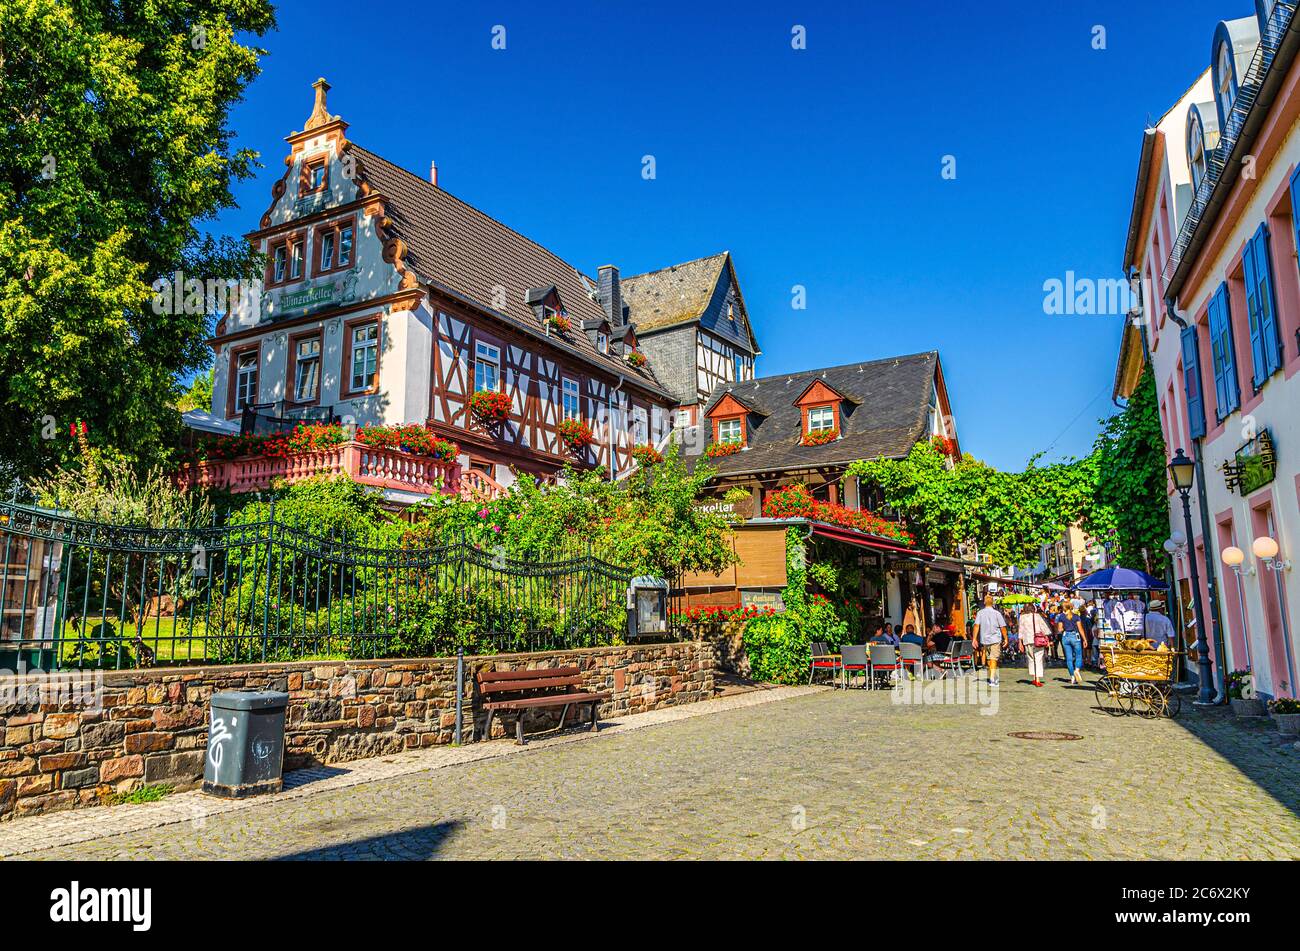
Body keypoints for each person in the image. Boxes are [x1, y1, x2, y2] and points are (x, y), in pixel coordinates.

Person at [973, 595, 1008, 686]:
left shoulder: (980, 613)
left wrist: (974, 639)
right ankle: (992, 679)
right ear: (992, 603)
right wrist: (1006, 638)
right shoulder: (997, 613)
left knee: (990, 658)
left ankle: (992, 676)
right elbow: (1003, 627)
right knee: (992, 658)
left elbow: (976, 626)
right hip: (995, 639)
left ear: (984, 602)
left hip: (984, 639)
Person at [1018, 604, 1052, 687]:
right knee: (1038, 658)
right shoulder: (1037, 616)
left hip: (1027, 640)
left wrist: (1020, 642)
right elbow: (1044, 628)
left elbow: (1020, 630)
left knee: (1031, 658)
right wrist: (1047, 638)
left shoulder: (1022, 617)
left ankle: (1033, 677)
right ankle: (1037, 679)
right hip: (1038, 640)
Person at [1057, 602, 1088, 685]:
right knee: (1078, 655)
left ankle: (1072, 677)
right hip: (1075, 636)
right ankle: (1077, 670)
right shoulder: (1076, 616)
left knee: (1069, 658)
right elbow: (1080, 629)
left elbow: (1059, 629)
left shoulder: (1061, 617)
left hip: (1066, 636)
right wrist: (1084, 639)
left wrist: (1064, 627)